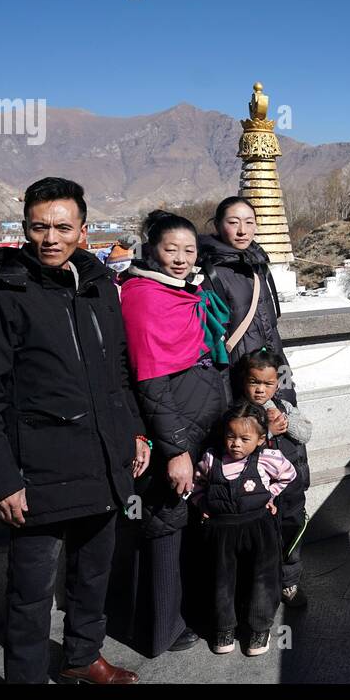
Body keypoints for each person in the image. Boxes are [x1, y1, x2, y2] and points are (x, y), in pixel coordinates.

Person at [0, 177, 145, 685]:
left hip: (103, 461)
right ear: (25, 230)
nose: (51, 238)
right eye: (40, 227)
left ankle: (83, 656)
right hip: (36, 471)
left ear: (84, 229)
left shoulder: (100, 285)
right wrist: (2, 480)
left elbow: (119, 373)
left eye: (63, 226)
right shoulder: (2, 295)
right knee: (31, 591)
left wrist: (137, 434)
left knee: (94, 572)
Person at [117, 210, 232, 657]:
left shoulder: (188, 292)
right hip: (173, 432)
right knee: (165, 521)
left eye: (189, 250)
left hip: (203, 424)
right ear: (153, 250)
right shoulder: (144, 296)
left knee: (193, 520)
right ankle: (160, 626)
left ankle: (190, 612)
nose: (181, 259)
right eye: (171, 250)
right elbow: (151, 381)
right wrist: (175, 449)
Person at [195, 402, 297, 656]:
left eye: (244, 438)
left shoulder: (267, 458)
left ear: (261, 439)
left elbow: (288, 475)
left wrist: (269, 496)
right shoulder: (211, 459)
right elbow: (196, 484)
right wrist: (202, 505)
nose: (236, 444)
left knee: (262, 580)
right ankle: (224, 627)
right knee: (222, 580)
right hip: (222, 533)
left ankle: (259, 628)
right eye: (231, 436)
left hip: (258, 530)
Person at [198, 197, 297, 403]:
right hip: (240, 380)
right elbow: (212, 343)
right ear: (217, 225)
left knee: (286, 424)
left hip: (271, 373)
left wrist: (287, 386)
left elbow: (272, 333)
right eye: (233, 223)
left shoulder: (257, 266)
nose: (242, 230)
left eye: (249, 222)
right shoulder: (210, 274)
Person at [235, 347, 313, 608]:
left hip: (290, 489)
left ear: (277, 384)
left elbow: (305, 433)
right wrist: (266, 432)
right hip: (259, 493)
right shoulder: (241, 413)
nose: (260, 390)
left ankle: (289, 582)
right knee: (262, 542)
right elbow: (237, 448)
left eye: (267, 384)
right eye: (254, 382)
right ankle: (261, 588)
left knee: (291, 534)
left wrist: (285, 423)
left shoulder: (284, 407)